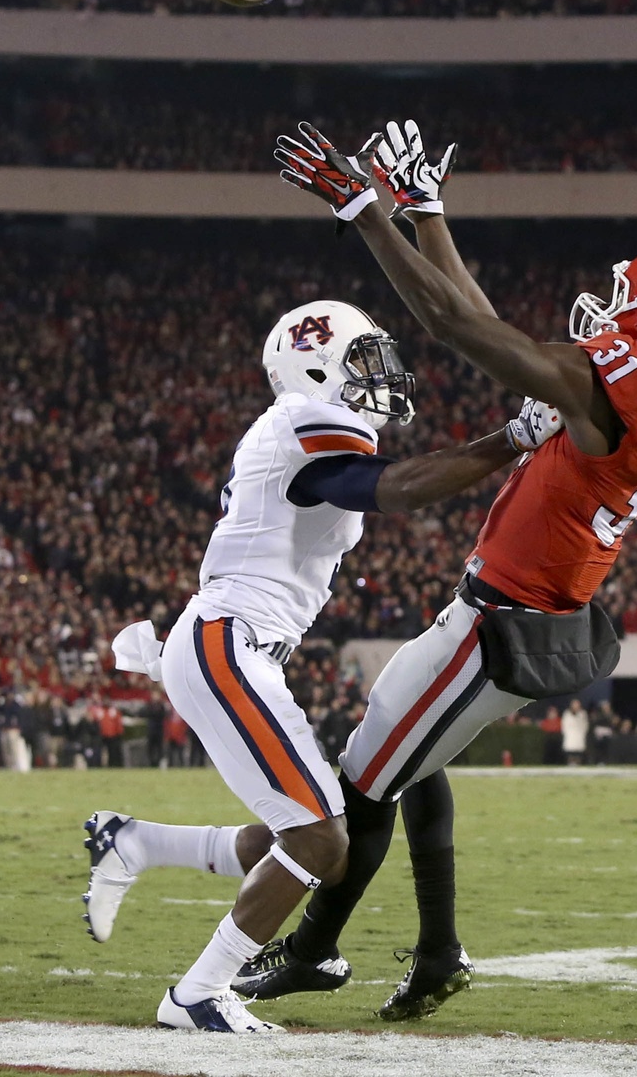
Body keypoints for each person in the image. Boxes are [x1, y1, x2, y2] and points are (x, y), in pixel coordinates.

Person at [229, 119, 637, 1020]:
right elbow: (485, 324)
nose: (609, 306)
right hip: (512, 610)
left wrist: (365, 212)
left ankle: (313, 950)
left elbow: (455, 323)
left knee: (358, 785)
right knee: (413, 766)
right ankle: (436, 955)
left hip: (498, 620)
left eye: (632, 297)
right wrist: (426, 212)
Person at [80, 292, 560, 1035]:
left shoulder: (302, 429)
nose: (382, 373)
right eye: (362, 360)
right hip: (227, 644)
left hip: (239, 647)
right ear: (315, 368)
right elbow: (396, 489)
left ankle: (137, 842)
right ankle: (198, 992)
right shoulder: (305, 420)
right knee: (320, 840)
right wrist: (512, 438)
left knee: (303, 836)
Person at [560, 699, 591, 767]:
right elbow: (564, 724)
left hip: (579, 735)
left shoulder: (583, 713)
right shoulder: (567, 713)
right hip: (570, 735)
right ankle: (570, 763)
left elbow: (585, 724)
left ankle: (578, 763)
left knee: (578, 751)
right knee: (570, 751)